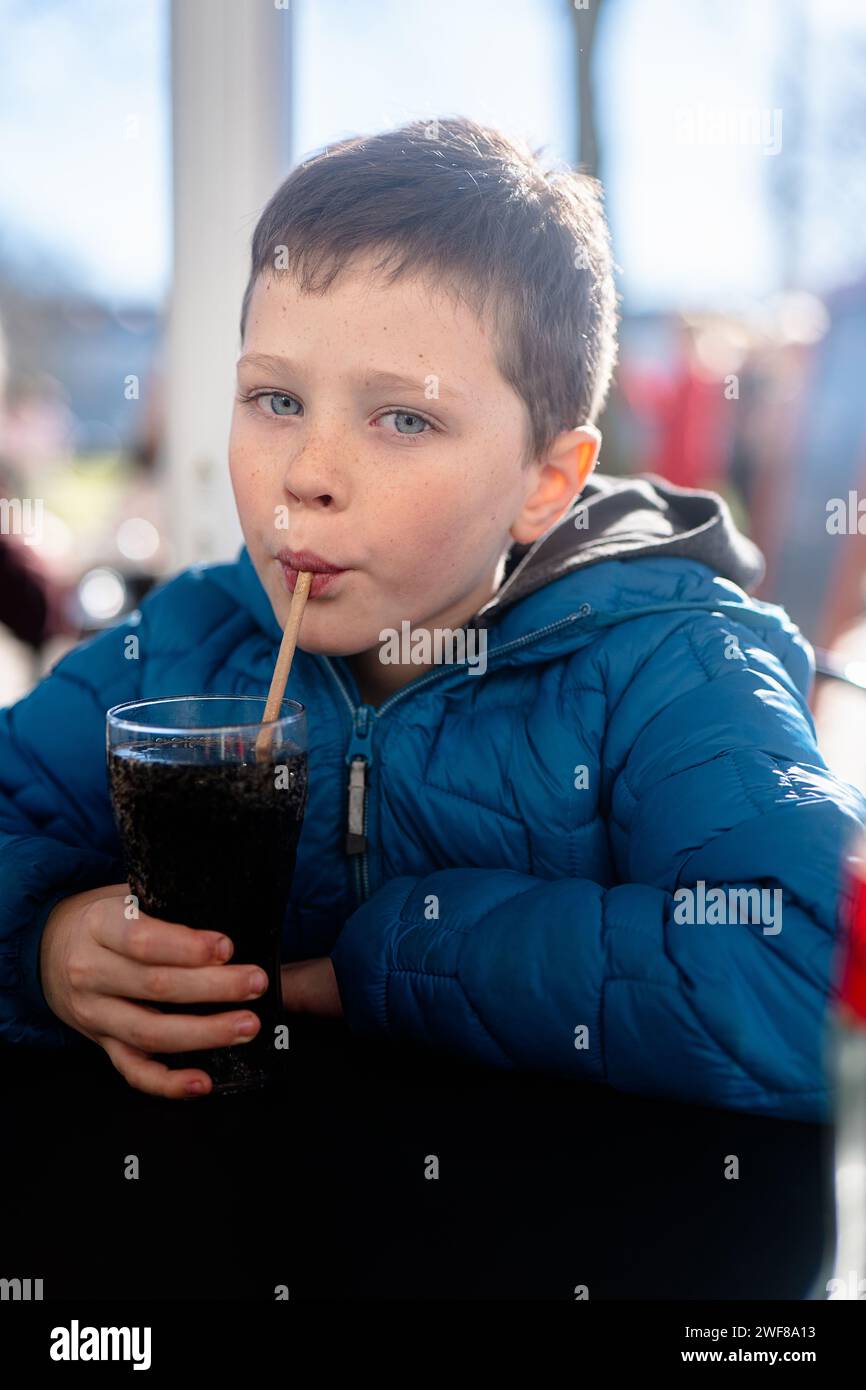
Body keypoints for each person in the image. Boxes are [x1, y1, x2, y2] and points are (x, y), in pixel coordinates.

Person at [1, 116, 863, 1119]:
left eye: (403, 418)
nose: (308, 475)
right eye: (275, 399)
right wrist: (47, 943)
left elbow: (802, 972)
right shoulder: (181, 644)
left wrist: (386, 960)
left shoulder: (675, 665)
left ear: (544, 481)